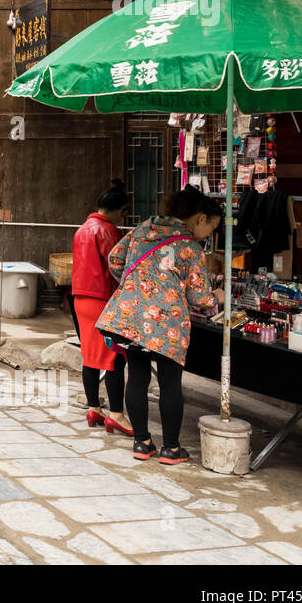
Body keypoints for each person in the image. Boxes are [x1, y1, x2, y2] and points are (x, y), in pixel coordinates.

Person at [97, 186, 225, 466]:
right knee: (170, 384)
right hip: (167, 324)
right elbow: (199, 297)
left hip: (131, 317)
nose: (209, 236)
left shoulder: (145, 227)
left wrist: (135, 287)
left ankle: (141, 443)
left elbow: (115, 259)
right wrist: (217, 296)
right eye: (212, 229)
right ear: (200, 219)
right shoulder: (190, 247)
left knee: (138, 377)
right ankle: (171, 448)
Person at [73, 179, 132, 435]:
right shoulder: (108, 231)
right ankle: (117, 414)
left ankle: (94, 408)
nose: (122, 217)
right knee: (114, 356)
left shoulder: (82, 229)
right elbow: (117, 266)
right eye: (123, 212)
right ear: (117, 210)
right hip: (101, 300)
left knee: (90, 356)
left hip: (80, 299)